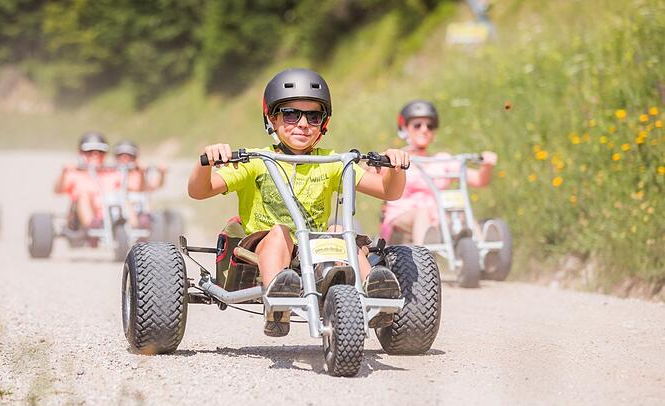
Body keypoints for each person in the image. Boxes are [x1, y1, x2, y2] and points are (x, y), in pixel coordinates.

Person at [188, 68, 409, 336]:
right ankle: (278, 303)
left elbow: (388, 192)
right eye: (291, 114)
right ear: (272, 118)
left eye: (313, 116)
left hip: (315, 249)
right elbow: (200, 192)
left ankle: (375, 291)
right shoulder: (255, 160)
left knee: (339, 231)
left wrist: (395, 167)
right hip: (262, 248)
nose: (303, 124)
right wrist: (207, 162)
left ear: (323, 123)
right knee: (280, 232)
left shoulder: (331, 162)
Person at [380, 100, 497, 244]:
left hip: (437, 219)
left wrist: (487, 165)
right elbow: (366, 170)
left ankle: (483, 252)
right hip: (401, 220)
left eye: (430, 126)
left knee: (460, 212)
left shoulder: (441, 160)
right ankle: (423, 262)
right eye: (417, 125)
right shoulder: (395, 157)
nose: (424, 130)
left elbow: (479, 180)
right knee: (422, 213)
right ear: (405, 128)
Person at [54, 132, 109, 232]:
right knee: (84, 195)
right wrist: (63, 173)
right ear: (81, 153)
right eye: (90, 152)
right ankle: (92, 226)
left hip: (109, 215)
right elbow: (57, 190)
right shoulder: (75, 174)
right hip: (80, 220)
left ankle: (133, 227)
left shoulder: (112, 173)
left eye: (100, 152)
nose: (95, 155)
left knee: (123, 197)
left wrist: (140, 171)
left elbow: (138, 189)